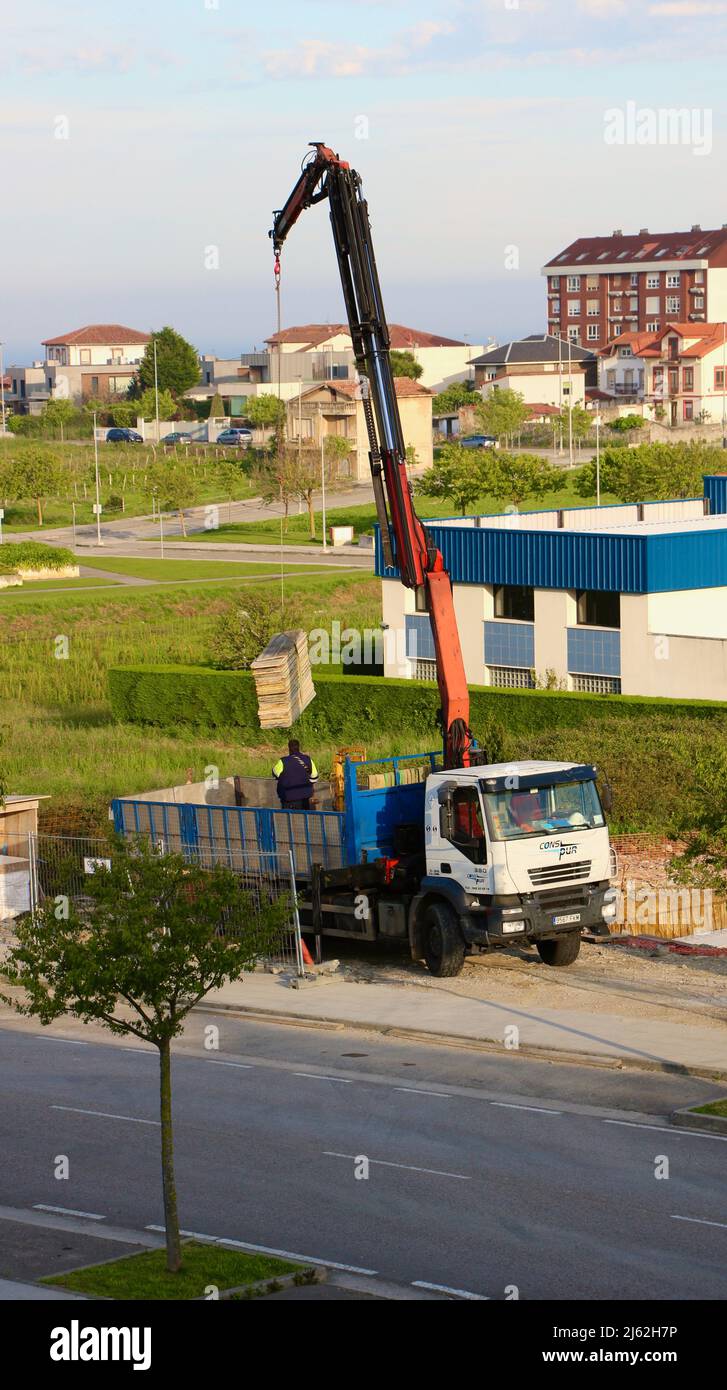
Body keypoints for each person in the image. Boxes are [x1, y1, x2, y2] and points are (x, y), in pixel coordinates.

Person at [272, 739, 319, 810]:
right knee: (305, 820)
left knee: (289, 820)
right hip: (306, 799)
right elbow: (314, 777)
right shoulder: (308, 759)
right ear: (299, 747)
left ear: (289, 748)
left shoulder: (283, 761)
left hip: (288, 799)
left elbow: (275, 773)